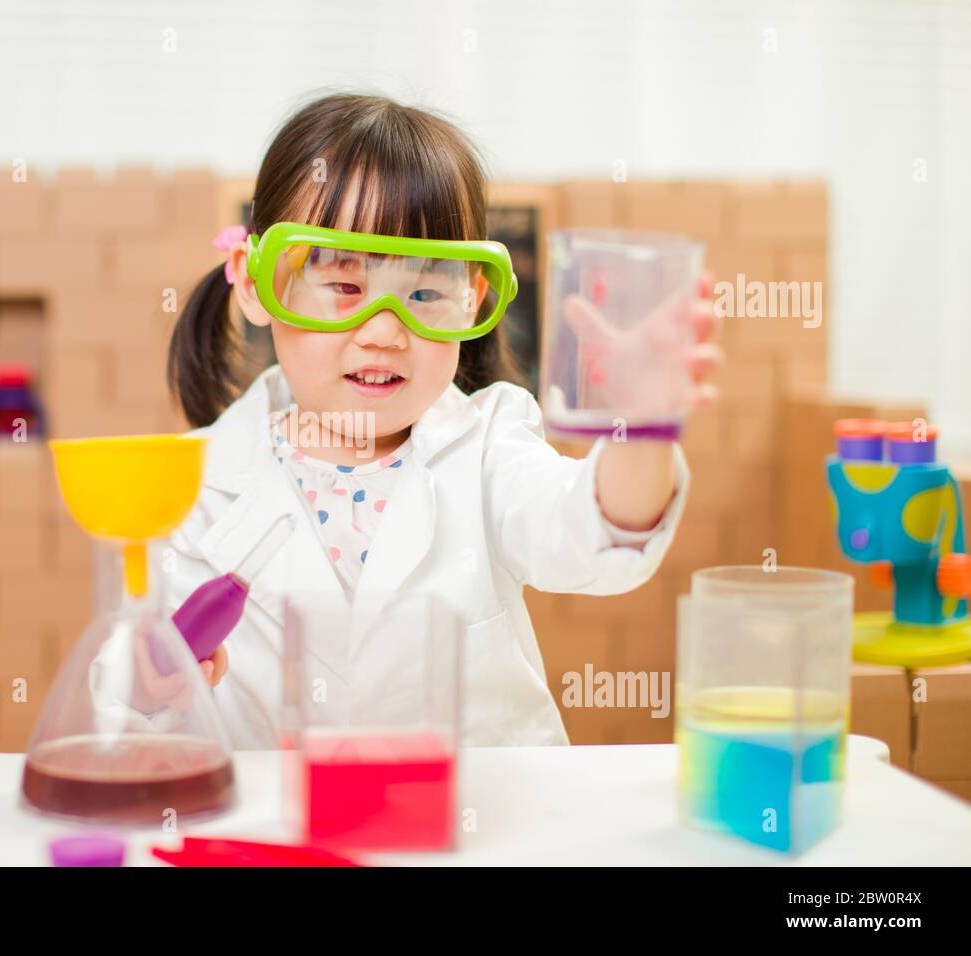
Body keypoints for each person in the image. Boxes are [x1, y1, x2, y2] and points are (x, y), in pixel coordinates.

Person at [164, 92, 720, 747]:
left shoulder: (490, 448)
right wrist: (149, 692)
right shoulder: (188, 486)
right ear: (257, 284)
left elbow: (593, 533)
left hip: (473, 835)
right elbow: (135, 701)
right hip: (279, 835)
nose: (382, 332)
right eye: (344, 285)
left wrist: (641, 424)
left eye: (425, 293)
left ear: (471, 298)